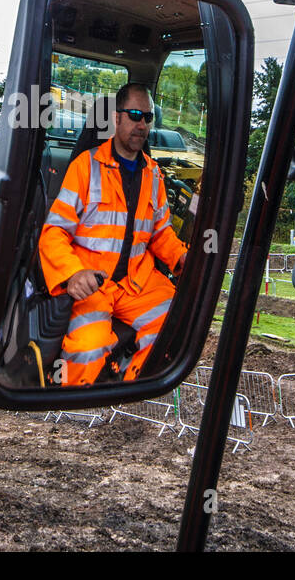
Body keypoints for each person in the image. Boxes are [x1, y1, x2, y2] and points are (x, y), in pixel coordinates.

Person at [38, 83, 188, 385]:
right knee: (87, 348)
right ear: (116, 118)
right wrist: (73, 274)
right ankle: (73, 409)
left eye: (148, 117)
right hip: (93, 282)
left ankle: (131, 389)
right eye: (134, 115)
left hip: (138, 281)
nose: (141, 124)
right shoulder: (86, 166)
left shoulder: (154, 174)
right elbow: (54, 231)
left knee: (179, 320)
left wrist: (182, 260)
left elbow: (160, 233)